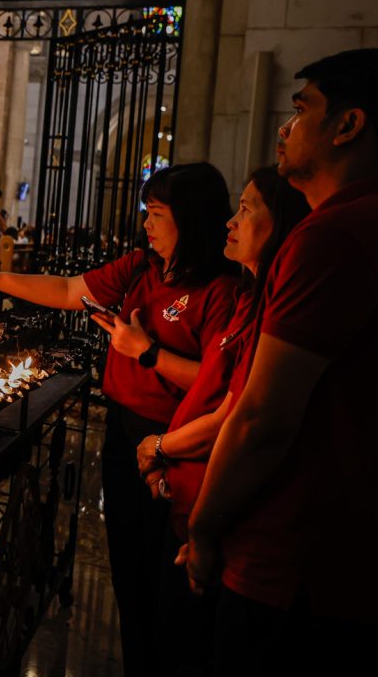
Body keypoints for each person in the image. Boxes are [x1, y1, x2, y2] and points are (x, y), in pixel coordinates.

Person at [182, 49, 378, 677]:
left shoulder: (336, 236)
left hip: (304, 573)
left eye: (301, 109)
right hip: (362, 569)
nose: (285, 127)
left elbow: (262, 420)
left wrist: (203, 529)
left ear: (348, 126)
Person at [0, 162, 240, 677]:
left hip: (180, 444)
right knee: (127, 565)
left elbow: (223, 386)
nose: (146, 224)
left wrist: (145, 352)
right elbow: (66, 290)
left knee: (164, 577)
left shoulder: (221, 289)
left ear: (191, 220)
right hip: (125, 429)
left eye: (157, 214)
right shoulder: (142, 267)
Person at [126, 168, 309, 676]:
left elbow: (239, 415)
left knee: (186, 650)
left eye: (247, 210)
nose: (232, 221)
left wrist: (161, 446)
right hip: (187, 498)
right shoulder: (250, 298)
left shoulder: (255, 302)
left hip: (220, 522)